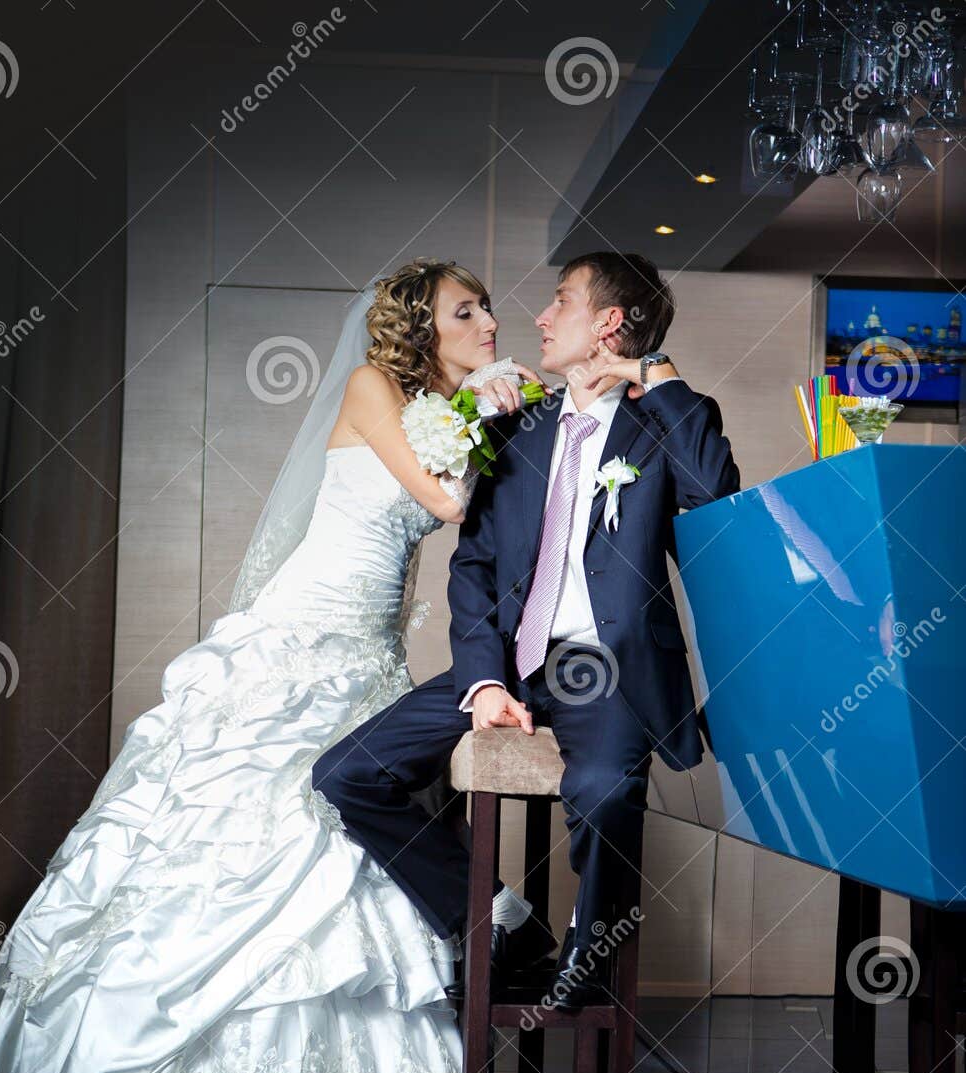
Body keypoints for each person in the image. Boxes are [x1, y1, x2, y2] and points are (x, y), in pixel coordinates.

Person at [0, 259, 535, 1073]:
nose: (490, 322)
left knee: (344, 823)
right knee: (240, 821)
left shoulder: (454, 402)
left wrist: (495, 410)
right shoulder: (371, 386)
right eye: (468, 311)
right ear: (420, 327)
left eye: (488, 308)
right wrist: (486, 411)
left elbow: (481, 525)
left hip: (369, 654)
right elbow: (444, 500)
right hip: (300, 632)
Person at [313, 251, 740, 1009]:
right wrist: (480, 681)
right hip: (505, 662)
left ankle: (588, 949)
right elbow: (473, 565)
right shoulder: (520, 425)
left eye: (560, 301)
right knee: (346, 776)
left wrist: (658, 374)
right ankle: (495, 920)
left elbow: (712, 496)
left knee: (605, 791)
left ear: (608, 322)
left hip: (602, 667)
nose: (538, 318)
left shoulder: (668, 418)